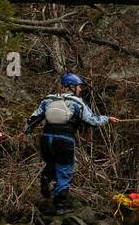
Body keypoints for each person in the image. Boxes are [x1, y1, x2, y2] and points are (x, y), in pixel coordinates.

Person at [23, 72, 119, 214]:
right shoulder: (77, 102)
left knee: (52, 163)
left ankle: (45, 177)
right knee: (64, 171)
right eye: (79, 87)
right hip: (64, 140)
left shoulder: (48, 99)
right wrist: (107, 119)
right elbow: (92, 121)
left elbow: (33, 119)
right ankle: (59, 207)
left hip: (46, 139)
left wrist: (25, 132)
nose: (80, 90)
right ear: (71, 87)